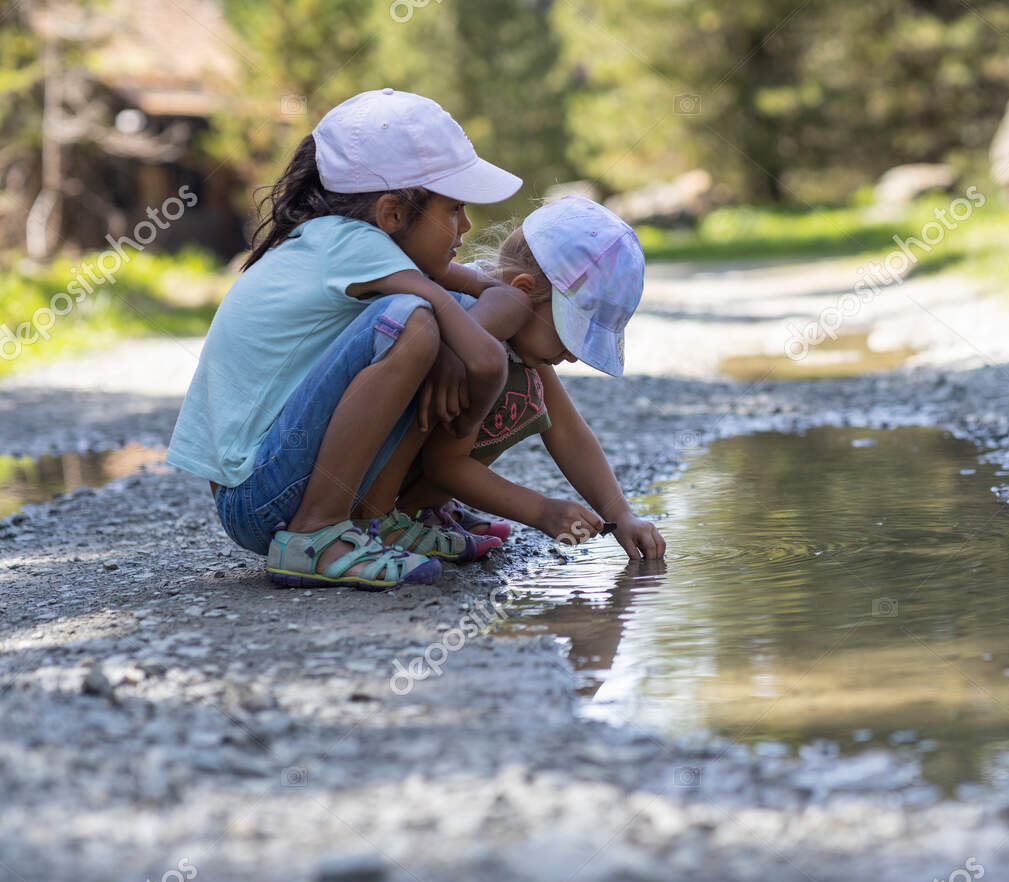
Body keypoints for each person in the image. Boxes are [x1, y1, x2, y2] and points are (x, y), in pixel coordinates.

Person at [167, 87, 533, 588]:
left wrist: (456, 342)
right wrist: (459, 373)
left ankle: (374, 523)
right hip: (257, 495)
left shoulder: (361, 247)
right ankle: (315, 534)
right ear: (392, 214)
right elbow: (487, 359)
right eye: (454, 209)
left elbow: (501, 299)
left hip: (275, 485)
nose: (466, 227)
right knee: (411, 322)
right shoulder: (353, 244)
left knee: (439, 318)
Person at [395, 196, 667, 562]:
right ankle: (397, 516)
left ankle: (421, 508)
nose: (572, 354)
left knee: (527, 388)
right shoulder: (471, 322)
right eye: (568, 335)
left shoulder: (516, 338)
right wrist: (541, 511)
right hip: (361, 466)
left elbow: (568, 432)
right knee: (519, 395)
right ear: (523, 290)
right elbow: (445, 464)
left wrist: (621, 514)